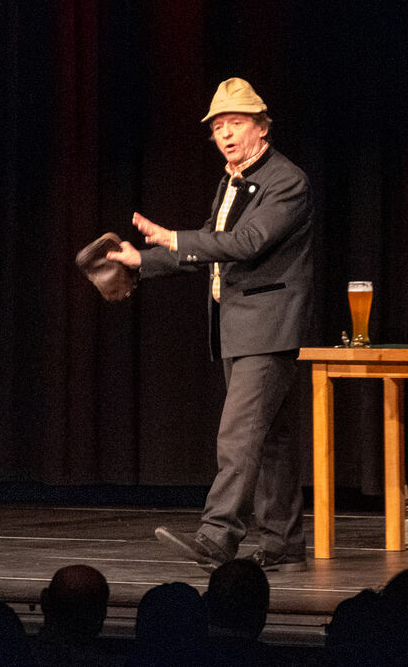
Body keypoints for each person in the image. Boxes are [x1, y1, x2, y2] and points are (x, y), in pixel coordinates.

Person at [107, 77, 314, 573]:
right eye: (218, 126)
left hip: (268, 329)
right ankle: (284, 542)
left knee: (239, 435)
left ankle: (218, 536)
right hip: (238, 328)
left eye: (236, 123)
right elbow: (208, 248)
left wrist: (174, 237)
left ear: (262, 128)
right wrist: (145, 259)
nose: (225, 134)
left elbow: (244, 244)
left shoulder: (286, 181)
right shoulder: (231, 181)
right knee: (272, 441)